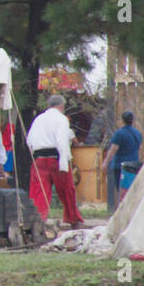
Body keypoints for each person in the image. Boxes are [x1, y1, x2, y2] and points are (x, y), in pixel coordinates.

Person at [25, 94, 84, 227]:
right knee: (67, 190)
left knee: (38, 191)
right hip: (56, 158)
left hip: (39, 159)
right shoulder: (62, 119)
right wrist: (64, 162)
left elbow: (29, 140)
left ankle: (37, 220)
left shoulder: (38, 119)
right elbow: (62, 141)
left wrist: (34, 156)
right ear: (62, 106)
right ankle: (73, 219)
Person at [101, 111, 143, 209]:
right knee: (132, 190)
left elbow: (113, 148)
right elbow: (139, 149)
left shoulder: (119, 133)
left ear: (122, 121)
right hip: (134, 165)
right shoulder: (138, 133)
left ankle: (122, 210)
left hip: (120, 166)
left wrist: (105, 163)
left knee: (121, 190)